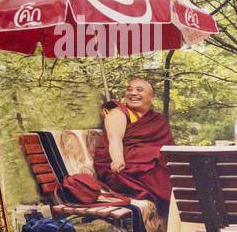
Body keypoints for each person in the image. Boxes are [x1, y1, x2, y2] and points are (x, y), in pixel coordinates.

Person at [62, 75, 174, 215]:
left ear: (151, 96)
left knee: (172, 170)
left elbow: (163, 146)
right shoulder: (118, 113)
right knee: (167, 178)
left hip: (143, 164)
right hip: (122, 168)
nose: (133, 93)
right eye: (129, 89)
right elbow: (114, 138)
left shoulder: (157, 119)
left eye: (139, 90)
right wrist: (117, 159)